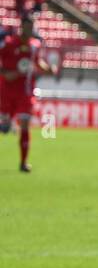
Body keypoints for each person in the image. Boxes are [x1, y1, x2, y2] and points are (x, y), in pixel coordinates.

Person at [0, 13, 53, 172]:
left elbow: (38, 63)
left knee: (25, 125)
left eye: (32, 27)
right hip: (6, 91)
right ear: (21, 27)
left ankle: (23, 163)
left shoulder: (35, 45)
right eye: (27, 27)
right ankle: (5, 123)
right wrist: (4, 73)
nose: (29, 30)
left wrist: (48, 69)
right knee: (5, 126)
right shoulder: (8, 44)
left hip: (25, 92)